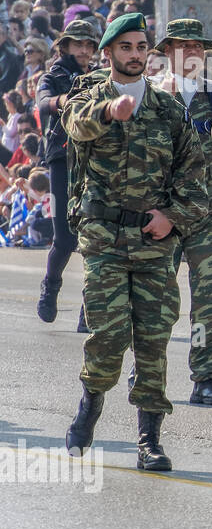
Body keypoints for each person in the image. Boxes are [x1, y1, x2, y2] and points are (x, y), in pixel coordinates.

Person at [62, 13, 208, 469]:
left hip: (153, 241)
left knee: (153, 337)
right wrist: (109, 111)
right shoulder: (89, 97)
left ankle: (150, 438)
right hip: (103, 237)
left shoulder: (168, 111)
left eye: (141, 47)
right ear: (108, 54)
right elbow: (75, 124)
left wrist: (173, 216)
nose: (135, 55)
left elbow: (195, 178)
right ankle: (91, 401)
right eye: (126, 47)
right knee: (108, 334)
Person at [155, 18, 212, 405]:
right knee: (158, 299)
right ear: (168, 52)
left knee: (209, 300)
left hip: (208, 213)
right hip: (163, 215)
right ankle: (149, 367)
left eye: (199, 48)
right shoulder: (151, 95)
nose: (193, 54)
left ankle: (205, 376)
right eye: (185, 46)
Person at [36, 19, 99, 327]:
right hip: (62, 159)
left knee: (95, 238)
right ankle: (50, 286)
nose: (85, 50)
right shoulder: (54, 75)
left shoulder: (100, 76)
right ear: (65, 46)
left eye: (89, 45)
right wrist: (62, 100)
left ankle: (89, 309)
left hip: (97, 161)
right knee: (64, 238)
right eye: (79, 44)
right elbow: (42, 103)